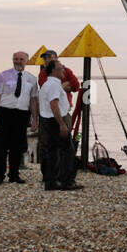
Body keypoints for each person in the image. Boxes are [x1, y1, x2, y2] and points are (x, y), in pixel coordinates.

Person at [0, 51, 39, 185]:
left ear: (26, 61)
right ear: (12, 60)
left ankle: (14, 175)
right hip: (4, 113)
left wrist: (35, 119)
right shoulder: (3, 76)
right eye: (16, 59)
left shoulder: (32, 79)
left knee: (18, 147)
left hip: (22, 115)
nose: (18, 61)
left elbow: (33, 100)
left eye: (21, 59)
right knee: (0, 146)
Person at [37, 60, 82, 191]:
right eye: (61, 69)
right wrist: (62, 124)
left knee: (52, 151)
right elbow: (54, 104)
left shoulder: (46, 84)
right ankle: (67, 182)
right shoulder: (54, 85)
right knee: (68, 151)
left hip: (46, 120)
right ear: (53, 71)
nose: (64, 71)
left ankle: (50, 182)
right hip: (56, 120)